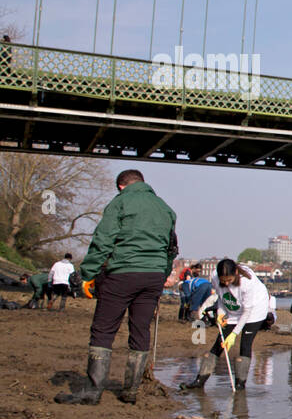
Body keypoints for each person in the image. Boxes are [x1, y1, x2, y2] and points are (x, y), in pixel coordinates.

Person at [56, 169, 178, 405]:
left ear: (121, 186)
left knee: (103, 329)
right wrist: (161, 273)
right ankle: (130, 392)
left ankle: (92, 392)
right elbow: (172, 248)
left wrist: (86, 273)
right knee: (140, 330)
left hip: (122, 273)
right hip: (153, 277)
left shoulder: (120, 203)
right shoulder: (166, 209)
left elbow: (103, 239)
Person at [180, 258, 269, 392]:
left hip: (254, 309)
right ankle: (199, 381)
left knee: (245, 344)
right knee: (219, 343)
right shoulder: (215, 278)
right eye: (223, 281)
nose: (226, 283)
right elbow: (222, 298)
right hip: (233, 308)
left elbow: (247, 311)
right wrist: (221, 314)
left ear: (236, 274)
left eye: (229, 280)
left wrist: (234, 334)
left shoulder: (247, 283)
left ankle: (240, 385)